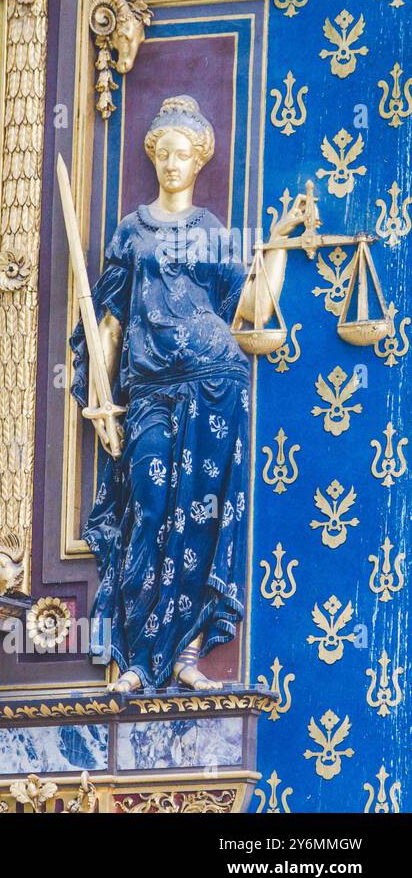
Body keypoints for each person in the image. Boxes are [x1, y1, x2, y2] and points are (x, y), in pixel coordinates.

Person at [70, 96, 307, 694]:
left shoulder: (210, 231)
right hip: (149, 388)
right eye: (164, 154)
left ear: (198, 161)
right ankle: (132, 660)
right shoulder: (132, 230)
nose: (173, 164)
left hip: (214, 384)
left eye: (183, 155)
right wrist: (100, 393)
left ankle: (187, 654)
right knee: (146, 509)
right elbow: (111, 320)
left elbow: (251, 311)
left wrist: (275, 243)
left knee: (199, 520)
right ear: (154, 159)